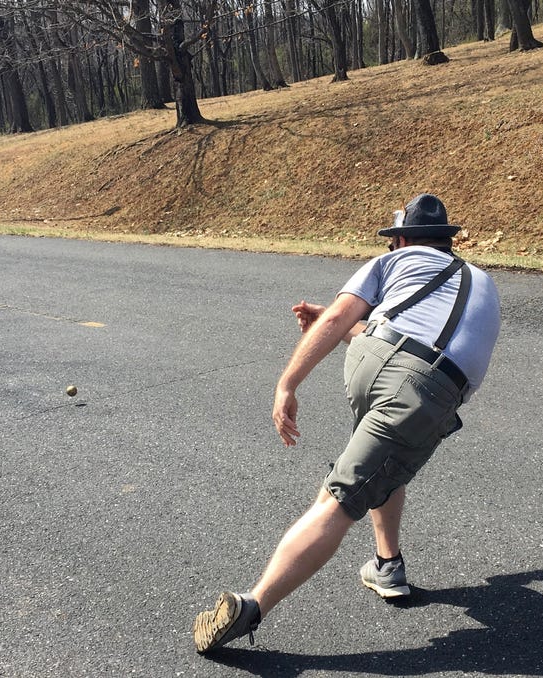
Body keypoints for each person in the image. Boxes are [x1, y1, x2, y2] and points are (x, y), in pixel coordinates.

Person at [193, 194, 501, 653]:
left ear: (400, 238)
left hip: (374, 360)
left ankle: (385, 564)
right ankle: (253, 604)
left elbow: (343, 317)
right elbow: (421, 345)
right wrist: (332, 328)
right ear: (447, 240)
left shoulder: (392, 261)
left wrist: (287, 384)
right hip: (426, 392)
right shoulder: (483, 281)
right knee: (346, 497)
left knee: (363, 477)